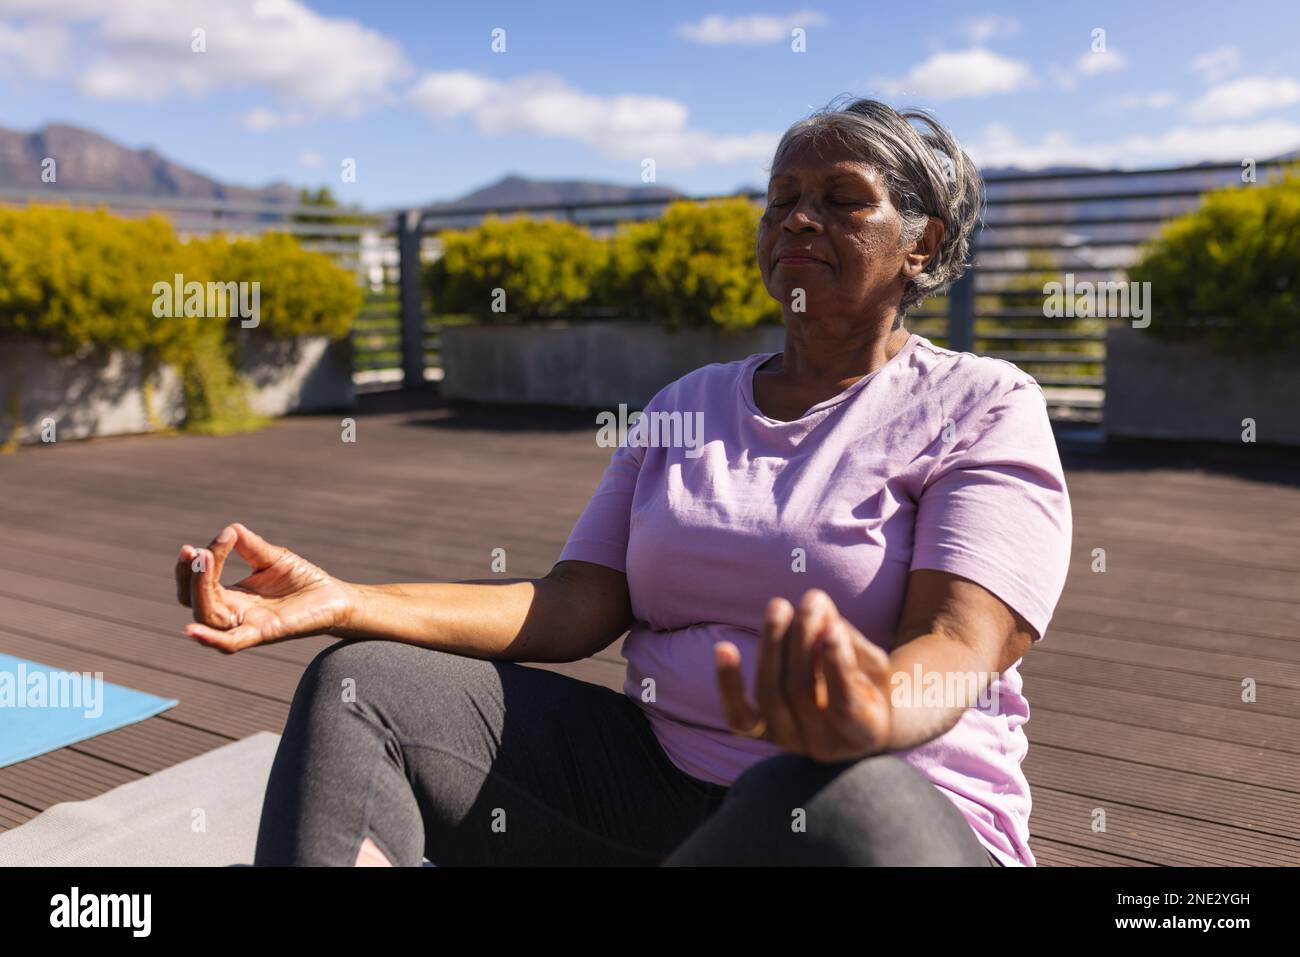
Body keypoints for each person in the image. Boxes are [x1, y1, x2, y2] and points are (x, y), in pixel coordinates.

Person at [173, 97, 1072, 867]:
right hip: (661, 791)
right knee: (360, 684)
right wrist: (345, 601)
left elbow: (961, 642)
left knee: (836, 796)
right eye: (782, 199)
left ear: (923, 245)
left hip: (885, 811)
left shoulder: (982, 403)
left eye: (842, 201)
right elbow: (576, 603)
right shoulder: (688, 402)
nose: (799, 220)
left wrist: (872, 710)